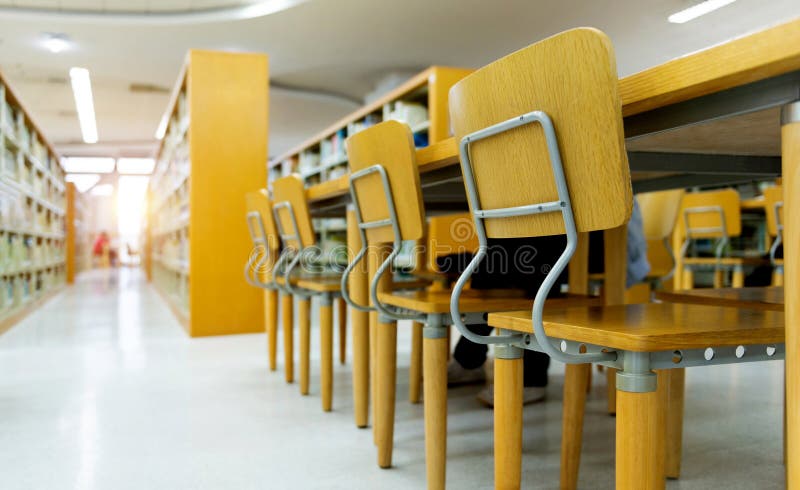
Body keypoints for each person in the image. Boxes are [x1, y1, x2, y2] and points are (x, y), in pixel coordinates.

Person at [445, 199, 650, 407]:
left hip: (602, 238)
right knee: (506, 242)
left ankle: (525, 374)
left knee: (528, 243)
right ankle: (474, 361)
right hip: (549, 232)